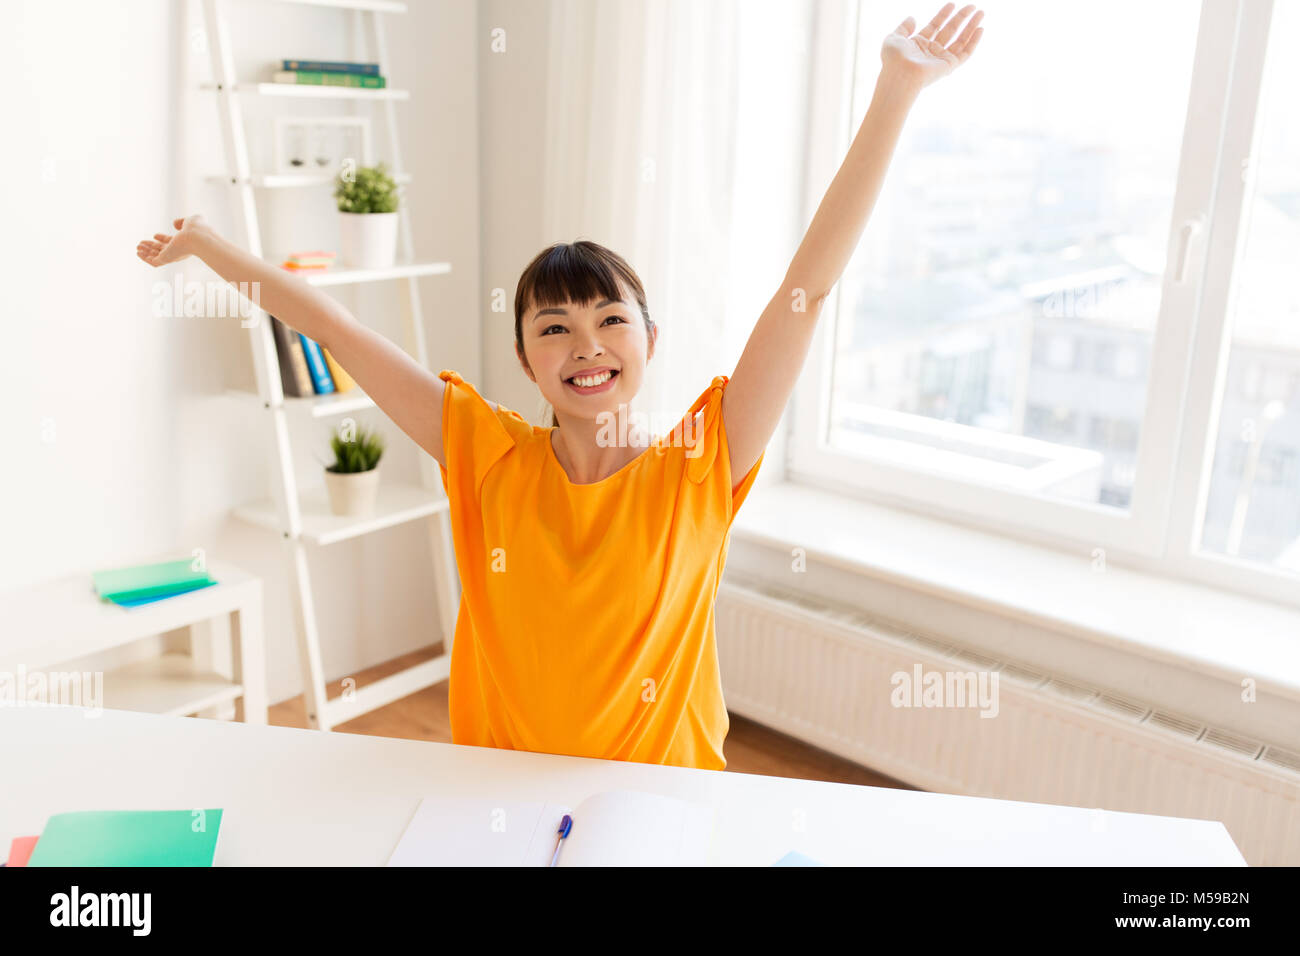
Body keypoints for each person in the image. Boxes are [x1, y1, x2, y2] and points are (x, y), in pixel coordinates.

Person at [137, 5, 984, 770]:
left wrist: (894, 92)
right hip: (504, 798)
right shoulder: (485, 451)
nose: (588, 347)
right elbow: (339, 331)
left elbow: (808, 291)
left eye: (611, 321)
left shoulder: (701, 461)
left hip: (664, 806)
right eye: (555, 328)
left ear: (650, 339)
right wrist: (213, 247)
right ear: (526, 358)